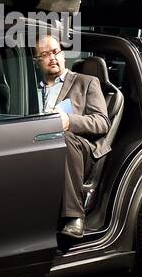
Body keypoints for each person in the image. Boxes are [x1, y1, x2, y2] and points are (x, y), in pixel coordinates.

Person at [33, 32, 109, 239]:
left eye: (56, 52)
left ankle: (75, 217)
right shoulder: (31, 90)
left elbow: (102, 122)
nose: (52, 58)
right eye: (45, 54)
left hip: (77, 147)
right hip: (39, 145)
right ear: (37, 61)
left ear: (64, 55)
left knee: (64, 138)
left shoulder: (86, 82)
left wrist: (69, 121)